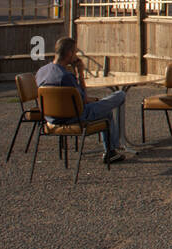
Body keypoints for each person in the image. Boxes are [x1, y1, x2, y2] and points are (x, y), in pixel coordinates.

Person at [35, 36, 126, 164]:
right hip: (74, 116)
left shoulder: (41, 72)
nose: (76, 55)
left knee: (104, 110)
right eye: (75, 52)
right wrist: (80, 74)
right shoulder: (66, 76)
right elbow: (83, 100)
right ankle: (112, 150)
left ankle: (112, 151)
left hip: (50, 117)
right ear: (69, 53)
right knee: (120, 95)